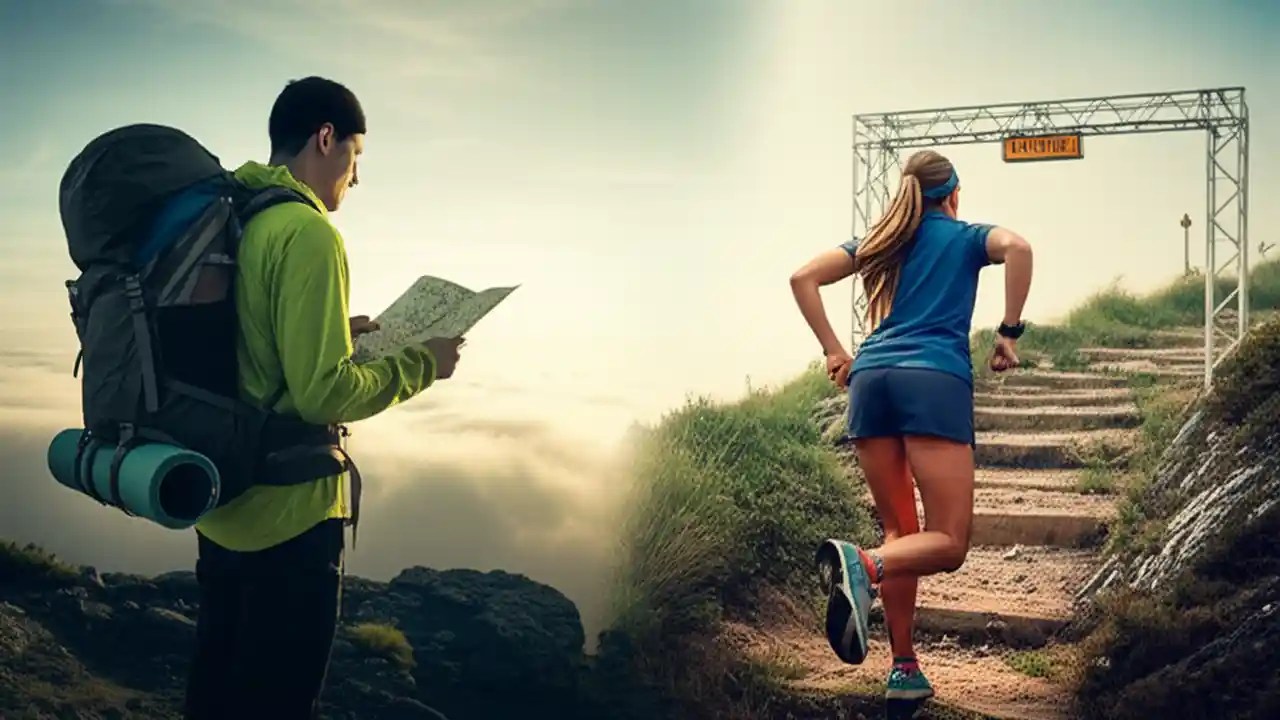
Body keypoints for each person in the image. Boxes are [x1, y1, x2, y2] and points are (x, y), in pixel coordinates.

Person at [182, 76, 464, 720]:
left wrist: (340, 331)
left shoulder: (239, 214)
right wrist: (424, 365)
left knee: (217, 688)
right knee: (278, 701)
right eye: (357, 158)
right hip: (289, 517)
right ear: (326, 138)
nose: (356, 178)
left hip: (223, 502)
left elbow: (252, 339)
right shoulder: (310, 234)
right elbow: (320, 394)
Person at [788, 149, 1033, 704]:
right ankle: (863, 564)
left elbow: (802, 277)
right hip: (932, 382)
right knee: (947, 542)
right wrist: (1009, 332)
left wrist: (833, 352)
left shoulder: (884, 240)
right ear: (953, 194)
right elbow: (1018, 247)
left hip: (871, 380)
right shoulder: (969, 236)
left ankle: (903, 667)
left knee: (905, 535)